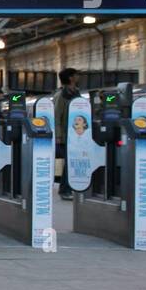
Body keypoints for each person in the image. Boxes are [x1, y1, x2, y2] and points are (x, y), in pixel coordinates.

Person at [53, 68, 80, 199]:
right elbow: (57, 116)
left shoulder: (76, 93)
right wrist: (58, 136)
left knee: (73, 161)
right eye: (76, 75)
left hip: (77, 134)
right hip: (65, 135)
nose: (78, 77)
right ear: (70, 78)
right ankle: (64, 190)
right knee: (69, 162)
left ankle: (68, 188)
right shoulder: (60, 96)